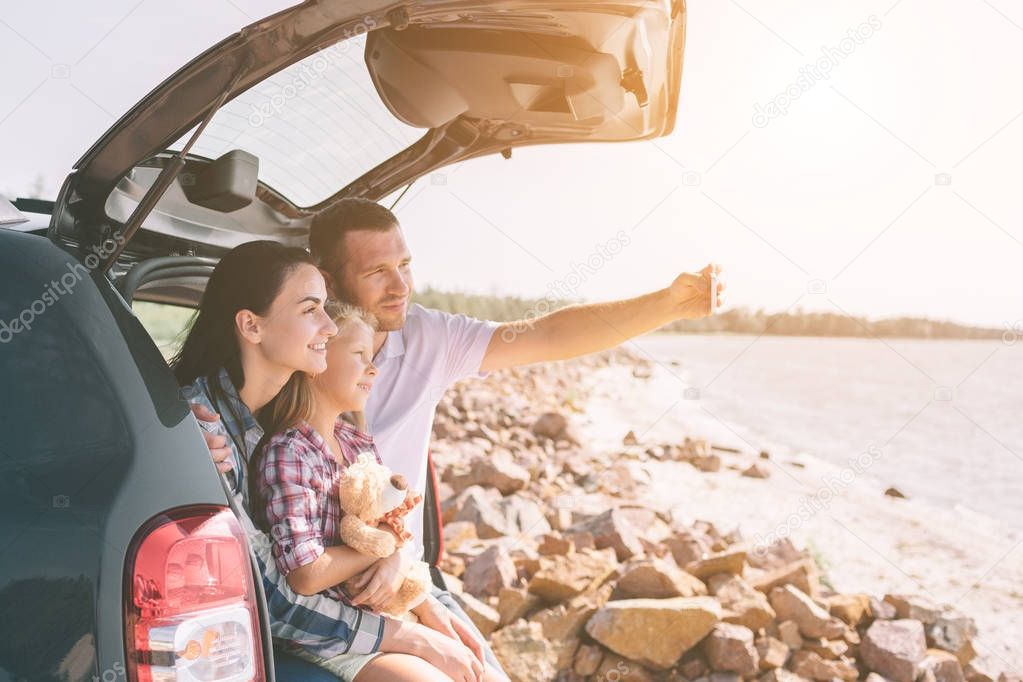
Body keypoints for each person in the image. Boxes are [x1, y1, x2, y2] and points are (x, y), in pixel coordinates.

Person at [177, 241, 493, 682]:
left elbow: (378, 520)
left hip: (368, 603)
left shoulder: (299, 419)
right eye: (311, 310)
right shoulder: (200, 425)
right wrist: (408, 637)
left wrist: (398, 559)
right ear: (251, 325)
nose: (329, 326)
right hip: (258, 638)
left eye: (326, 308)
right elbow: (268, 592)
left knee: (483, 663)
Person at [250, 302, 498, 681]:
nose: (373, 368)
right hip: (333, 638)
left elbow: (391, 524)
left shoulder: (356, 443)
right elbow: (306, 574)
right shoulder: (288, 451)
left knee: (480, 668)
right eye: (359, 355)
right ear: (317, 361)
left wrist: (418, 593)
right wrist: (380, 548)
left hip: (386, 608)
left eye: (373, 357)